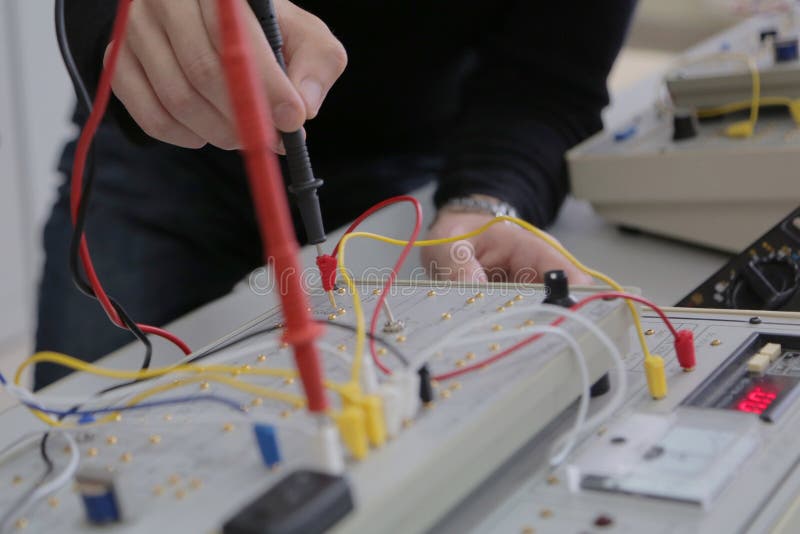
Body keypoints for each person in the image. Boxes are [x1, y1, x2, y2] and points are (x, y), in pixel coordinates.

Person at [35, 0, 636, 388]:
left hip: (410, 157)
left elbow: (548, 81)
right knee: (84, 408)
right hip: (157, 155)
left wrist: (486, 200)